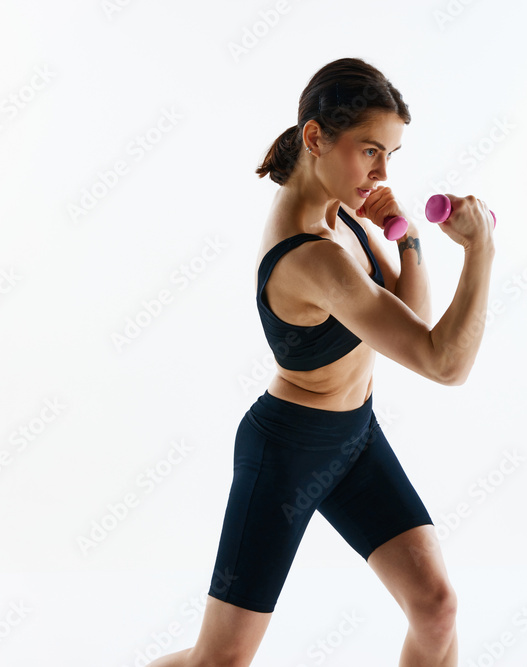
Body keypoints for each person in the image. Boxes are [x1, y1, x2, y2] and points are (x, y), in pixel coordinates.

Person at [148, 57, 495, 667]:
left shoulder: (340, 218)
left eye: (390, 154)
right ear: (316, 137)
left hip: (354, 437)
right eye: (369, 151)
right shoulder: (311, 257)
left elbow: (406, 321)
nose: (382, 172)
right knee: (219, 660)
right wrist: (481, 253)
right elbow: (443, 364)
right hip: (288, 449)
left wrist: (403, 234)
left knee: (436, 608)